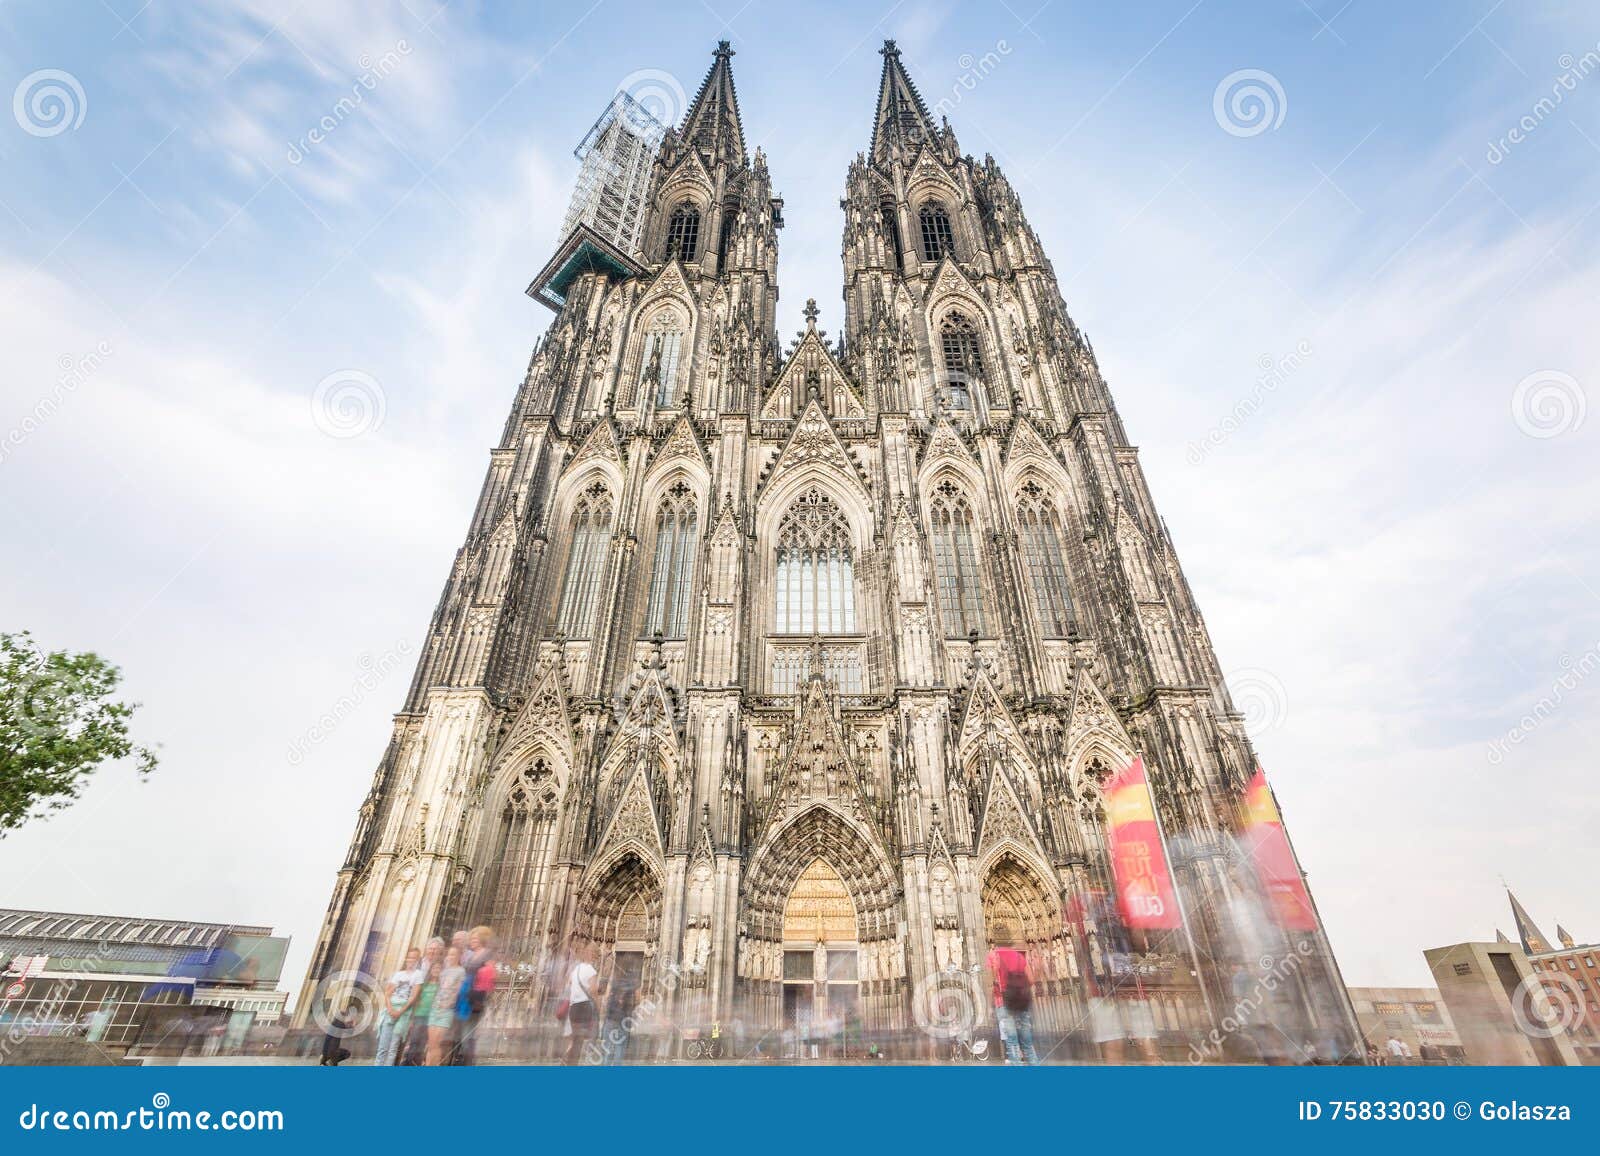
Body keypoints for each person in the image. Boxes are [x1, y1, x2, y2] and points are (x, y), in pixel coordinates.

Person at [986, 931, 1039, 1065]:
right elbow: (1032, 979)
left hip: (1003, 1001)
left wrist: (990, 1003)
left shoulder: (993, 955)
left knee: (1012, 1042)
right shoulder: (1018, 956)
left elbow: (990, 981)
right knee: (1027, 1043)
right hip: (1021, 1002)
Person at [374, 947, 422, 1066]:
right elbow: (387, 993)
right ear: (406, 958)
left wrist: (400, 1012)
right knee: (382, 1048)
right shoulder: (398, 974)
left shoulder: (418, 975)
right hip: (390, 1010)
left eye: (414, 958)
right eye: (409, 957)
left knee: (393, 1049)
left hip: (403, 1013)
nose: (411, 960)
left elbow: (413, 997)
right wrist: (390, 1009)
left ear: (418, 960)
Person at [562, 941, 602, 1065]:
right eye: (597, 956)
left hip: (573, 1007)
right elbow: (593, 991)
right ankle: (569, 1065)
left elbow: (568, 983)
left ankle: (567, 1062)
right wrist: (599, 1007)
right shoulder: (591, 970)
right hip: (584, 1007)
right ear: (594, 956)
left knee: (575, 1038)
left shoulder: (577, 968)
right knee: (579, 1040)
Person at [427, 948, 467, 1066]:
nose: (451, 956)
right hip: (435, 1008)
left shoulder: (461, 971)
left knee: (437, 1043)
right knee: (431, 1043)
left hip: (447, 1010)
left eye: (454, 954)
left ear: (459, 956)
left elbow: (458, 991)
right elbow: (439, 988)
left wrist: (448, 1003)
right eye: (449, 954)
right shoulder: (444, 971)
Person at [402, 956, 441, 1066]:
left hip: (431, 1018)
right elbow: (417, 999)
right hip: (419, 1015)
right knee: (414, 1040)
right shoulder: (424, 984)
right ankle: (408, 1062)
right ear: (431, 970)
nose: (436, 970)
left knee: (422, 1043)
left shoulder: (441, 986)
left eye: (439, 968)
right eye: (434, 968)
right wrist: (412, 1015)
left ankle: (417, 1063)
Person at [319, 1001, 356, 1066]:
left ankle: (326, 1061)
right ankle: (328, 1061)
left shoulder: (338, 1021)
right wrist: (353, 1024)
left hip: (328, 1050)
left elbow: (328, 1038)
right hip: (332, 1051)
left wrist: (324, 1053)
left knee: (328, 1063)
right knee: (346, 1054)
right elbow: (350, 1031)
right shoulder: (340, 1022)